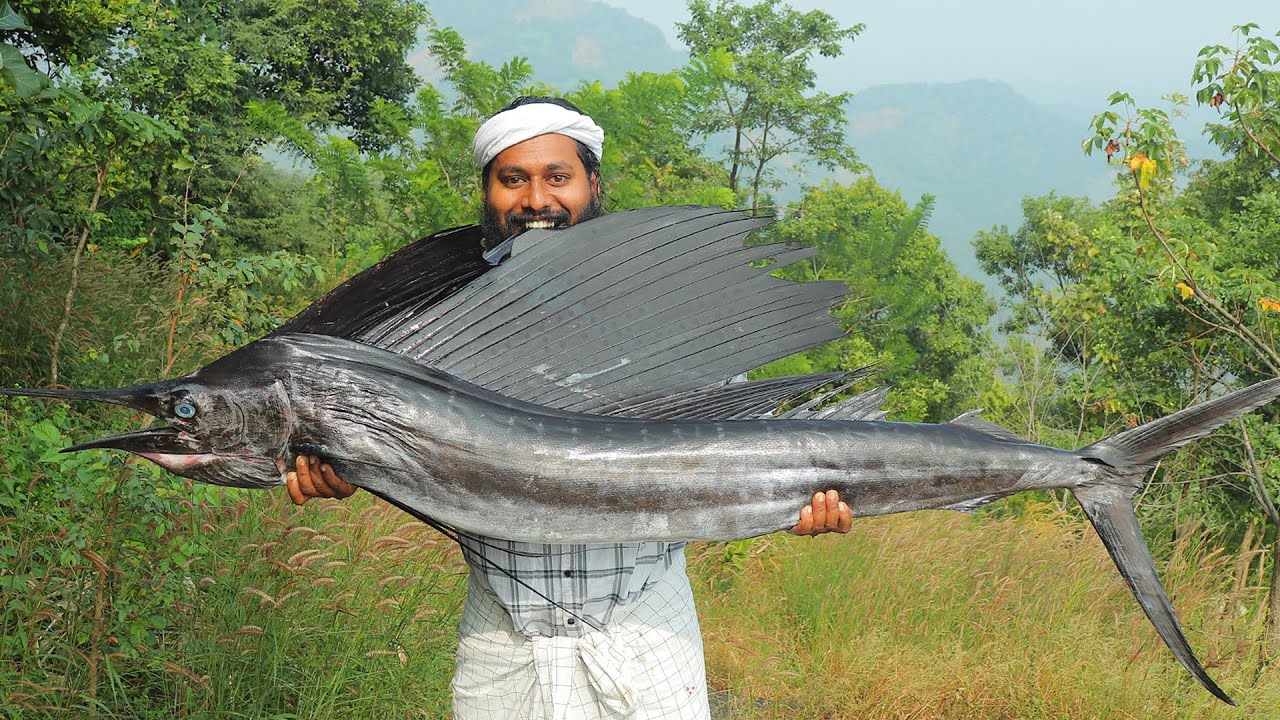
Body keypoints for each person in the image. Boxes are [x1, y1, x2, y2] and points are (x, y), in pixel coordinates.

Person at [285, 96, 852, 719]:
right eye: (513, 180)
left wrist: (802, 496)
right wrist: (345, 472)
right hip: (502, 642)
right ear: (486, 192)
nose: (536, 199)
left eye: (558, 177)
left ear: (593, 185)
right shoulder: (437, 322)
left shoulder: (659, 306)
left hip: (647, 636)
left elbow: (737, 436)